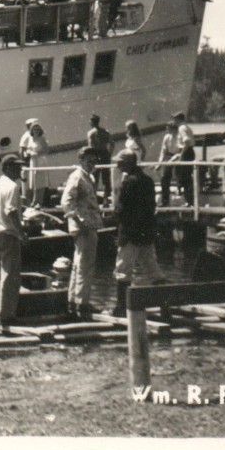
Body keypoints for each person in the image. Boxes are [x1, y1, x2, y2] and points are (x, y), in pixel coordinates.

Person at [111, 151, 162, 316]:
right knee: (152, 269)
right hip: (146, 231)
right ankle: (165, 305)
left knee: (123, 269)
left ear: (127, 164)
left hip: (130, 233)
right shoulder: (147, 180)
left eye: (120, 163)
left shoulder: (128, 182)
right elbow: (151, 207)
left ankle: (121, 307)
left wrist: (117, 221)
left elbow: (121, 208)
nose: (118, 165)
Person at [0, 155, 28, 334]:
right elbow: (11, 212)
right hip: (7, 234)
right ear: (8, 168)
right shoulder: (12, 187)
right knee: (10, 275)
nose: (20, 171)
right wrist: (22, 233)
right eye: (17, 168)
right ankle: (6, 315)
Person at [61, 147, 103, 320]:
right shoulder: (77, 176)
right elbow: (66, 201)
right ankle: (82, 305)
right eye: (89, 160)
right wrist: (79, 221)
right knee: (85, 266)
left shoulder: (87, 177)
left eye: (94, 160)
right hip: (84, 228)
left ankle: (74, 301)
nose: (92, 163)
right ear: (81, 160)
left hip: (88, 226)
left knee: (79, 265)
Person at [19, 119, 50, 204]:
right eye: (34, 129)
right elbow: (27, 149)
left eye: (37, 129)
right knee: (34, 181)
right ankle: (35, 199)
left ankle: (39, 201)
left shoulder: (42, 139)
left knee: (41, 182)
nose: (36, 131)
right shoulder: (30, 138)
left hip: (40, 161)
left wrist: (37, 154)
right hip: (33, 161)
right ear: (31, 130)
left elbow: (46, 150)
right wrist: (29, 152)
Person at [86, 114, 114, 198]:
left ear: (91, 122)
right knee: (106, 178)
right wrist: (110, 154)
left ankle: (94, 197)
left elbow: (90, 147)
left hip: (95, 155)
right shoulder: (106, 132)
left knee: (94, 178)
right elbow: (112, 144)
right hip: (105, 154)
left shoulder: (90, 133)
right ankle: (106, 198)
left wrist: (89, 158)